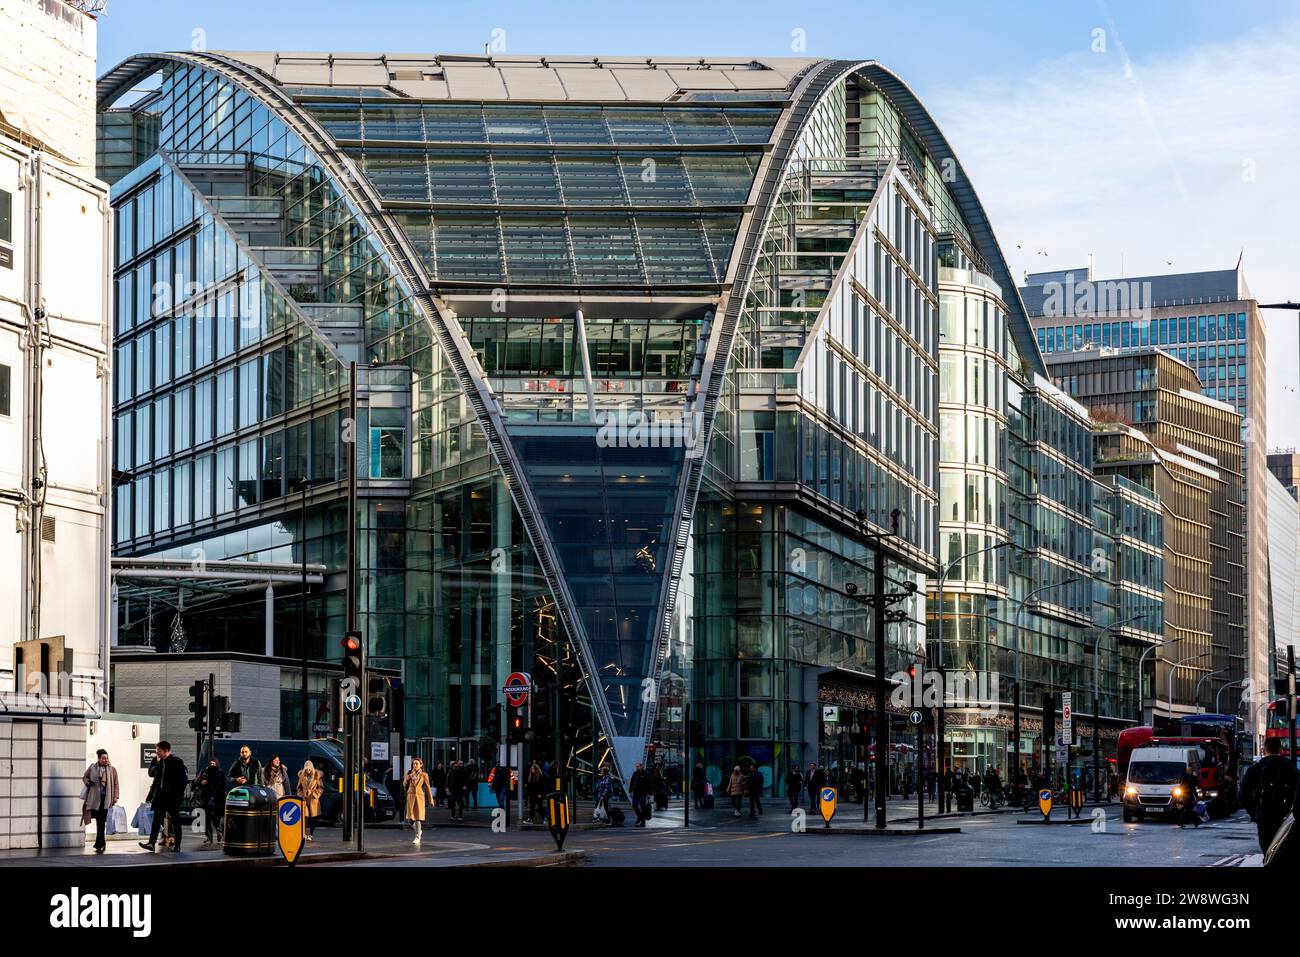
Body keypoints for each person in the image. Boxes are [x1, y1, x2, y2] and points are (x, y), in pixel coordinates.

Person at [1239, 737, 1299, 852]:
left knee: (1267, 853)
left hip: (1264, 818)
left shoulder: (1255, 769)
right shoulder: (1292, 770)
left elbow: (1243, 796)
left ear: (1264, 750)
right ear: (1281, 749)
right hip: (1285, 819)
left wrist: (1255, 814)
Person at [140, 741, 187, 853]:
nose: (157, 754)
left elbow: (183, 781)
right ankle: (151, 843)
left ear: (166, 751)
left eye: (159, 751)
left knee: (175, 821)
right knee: (156, 821)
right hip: (160, 797)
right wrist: (150, 796)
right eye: (157, 751)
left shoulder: (176, 762)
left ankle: (177, 845)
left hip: (172, 797)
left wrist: (178, 796)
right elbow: (156, 781)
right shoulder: (160, 763)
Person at [81, 749, 120, 853]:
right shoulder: (92, 767)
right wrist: (88, 782)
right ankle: (99, 842)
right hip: (94, 799)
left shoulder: (112, 769)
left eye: (107, 758)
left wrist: (116, 796)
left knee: (102, 821)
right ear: (98, 758)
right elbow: (84, 777)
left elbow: (116, 784)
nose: (106, 760)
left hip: (106, 799)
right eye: (103, 758)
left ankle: (101, 843)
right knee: (99, 821)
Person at [193, 758, 226, 845]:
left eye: (213, 763)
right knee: (207, 820)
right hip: (206, 798)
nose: (212, 765)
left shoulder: (220, 773)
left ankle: (220, 837)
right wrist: (201, 783)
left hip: (217, 798)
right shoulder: (204, 772)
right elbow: (195, 783)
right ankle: (209, 837)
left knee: (218, 820)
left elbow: (223, 786)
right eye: (210, 763)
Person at [404, 758, 434, 846]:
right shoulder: (409, 773)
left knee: (417, 817)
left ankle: (417, 837)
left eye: (416, 764)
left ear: (421, 765)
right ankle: (419, 830)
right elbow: (404, 784)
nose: (415, 765)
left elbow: (428, 788)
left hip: (419, 797)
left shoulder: (424, 775)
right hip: (410, 796)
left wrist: (431, 800)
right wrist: (407, 779)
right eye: (413, 764)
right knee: (410, 819)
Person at [297, 760, 324, 841]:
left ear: (312, 768)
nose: (308, 770)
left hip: (313, 799)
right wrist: (301, 795)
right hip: (304, 798)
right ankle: (304, 834)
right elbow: (299, 787)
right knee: (305, 817)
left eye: (309, 769)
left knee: (313, 818)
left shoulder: (317, 775)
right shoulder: (302, 775)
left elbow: (321, 787)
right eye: (306, 769)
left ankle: (311, 834)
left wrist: (316, 795)